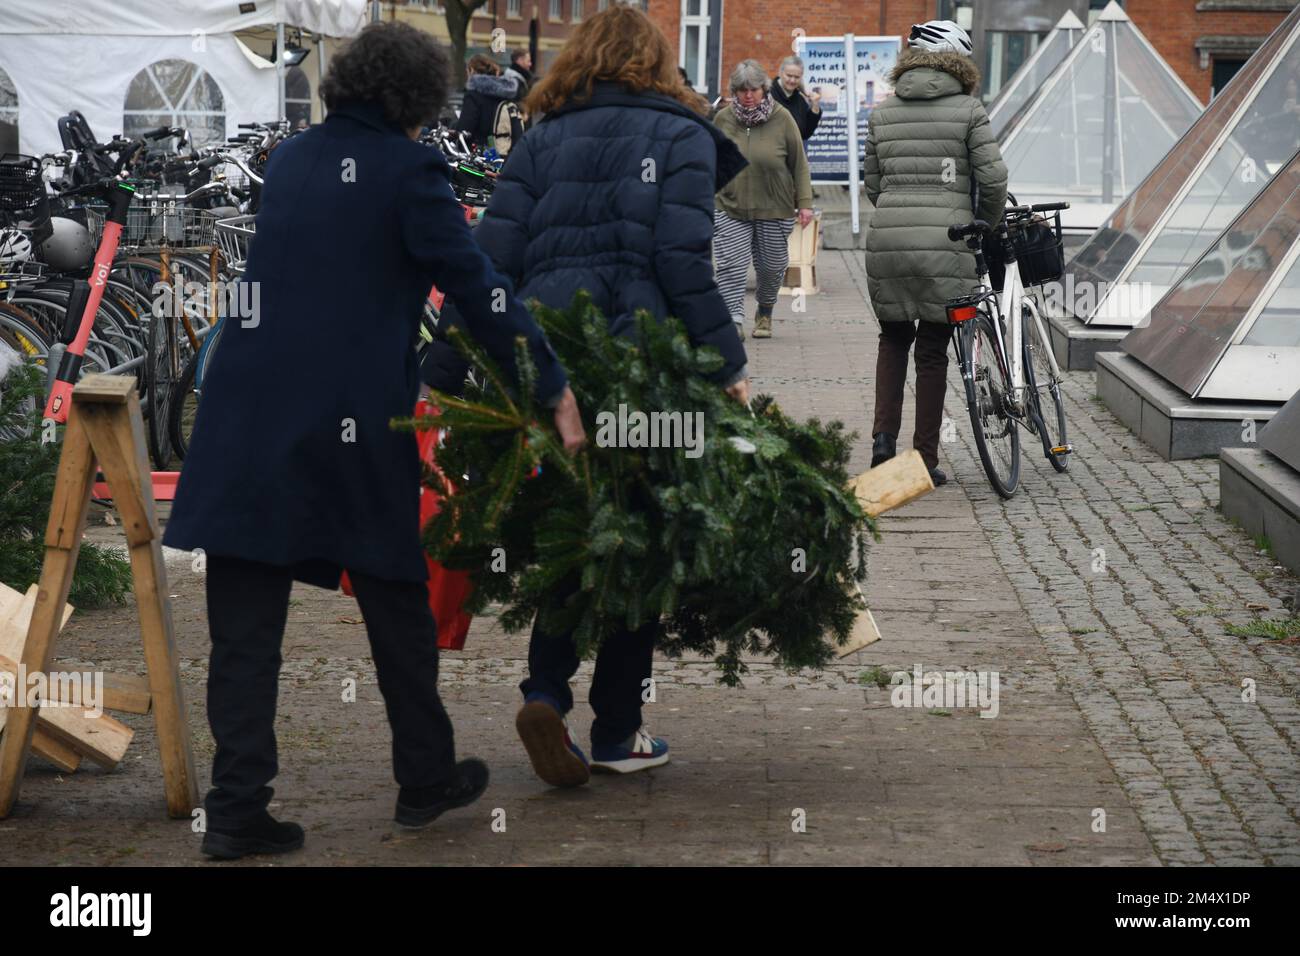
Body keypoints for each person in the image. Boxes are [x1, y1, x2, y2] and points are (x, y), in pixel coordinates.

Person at [162, 21, 585, 859]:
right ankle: (424, 775)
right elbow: (475, 283)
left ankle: (238, 805)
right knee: (394, 590)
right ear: (418, 97)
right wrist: (550, 382)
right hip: (345, 425)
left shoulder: (291, 159)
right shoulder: (409, 168)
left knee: (244, 625)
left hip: (244, 412)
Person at [427, 4, 749, 789]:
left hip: (550, 368)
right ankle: (616, 729)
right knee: (634, 542)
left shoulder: (540, 138)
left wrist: (440, 369)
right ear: (658, 64)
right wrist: (727, 361)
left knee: (574, 534)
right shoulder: (681, 137)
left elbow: (488, 259)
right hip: (646, 372)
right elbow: (682, 259)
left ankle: (544, 691)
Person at [862, 19, 1007, 486]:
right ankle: (923, 459)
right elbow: (994, 178)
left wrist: (896, 212)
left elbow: (873, 184)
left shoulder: (882, 113)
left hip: (889, 242)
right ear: (958, 64)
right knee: (931, 351)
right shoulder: (968, 111)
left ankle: (882, 442)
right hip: (947, 242)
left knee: (892, 340)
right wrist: (987, 221)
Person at [712, 59, 814, 340]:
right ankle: (733, 320)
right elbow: (710, 160)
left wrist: (804, 203)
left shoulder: (782, 118)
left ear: (764, 89)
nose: (748, 95)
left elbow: (799, 164)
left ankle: (765, 311)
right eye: (742, 90)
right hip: (730, 205)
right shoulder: (722, 119)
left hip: (774, 205)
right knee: (731, 265)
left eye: (754, 89)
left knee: (772, 268)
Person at [455, 54, 520, 147]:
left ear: (471, 70)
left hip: (479, 152)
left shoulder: (473, 95)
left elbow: (465, 129)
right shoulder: (506, 93)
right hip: (504, 149)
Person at [770, 55, 822, 142]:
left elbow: (805, 134)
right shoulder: (767, 95)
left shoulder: (799, 99)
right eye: (789, 76)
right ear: (781, 73)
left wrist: (815, 107)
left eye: (797, 77)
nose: (792, 80)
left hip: (793, 154)